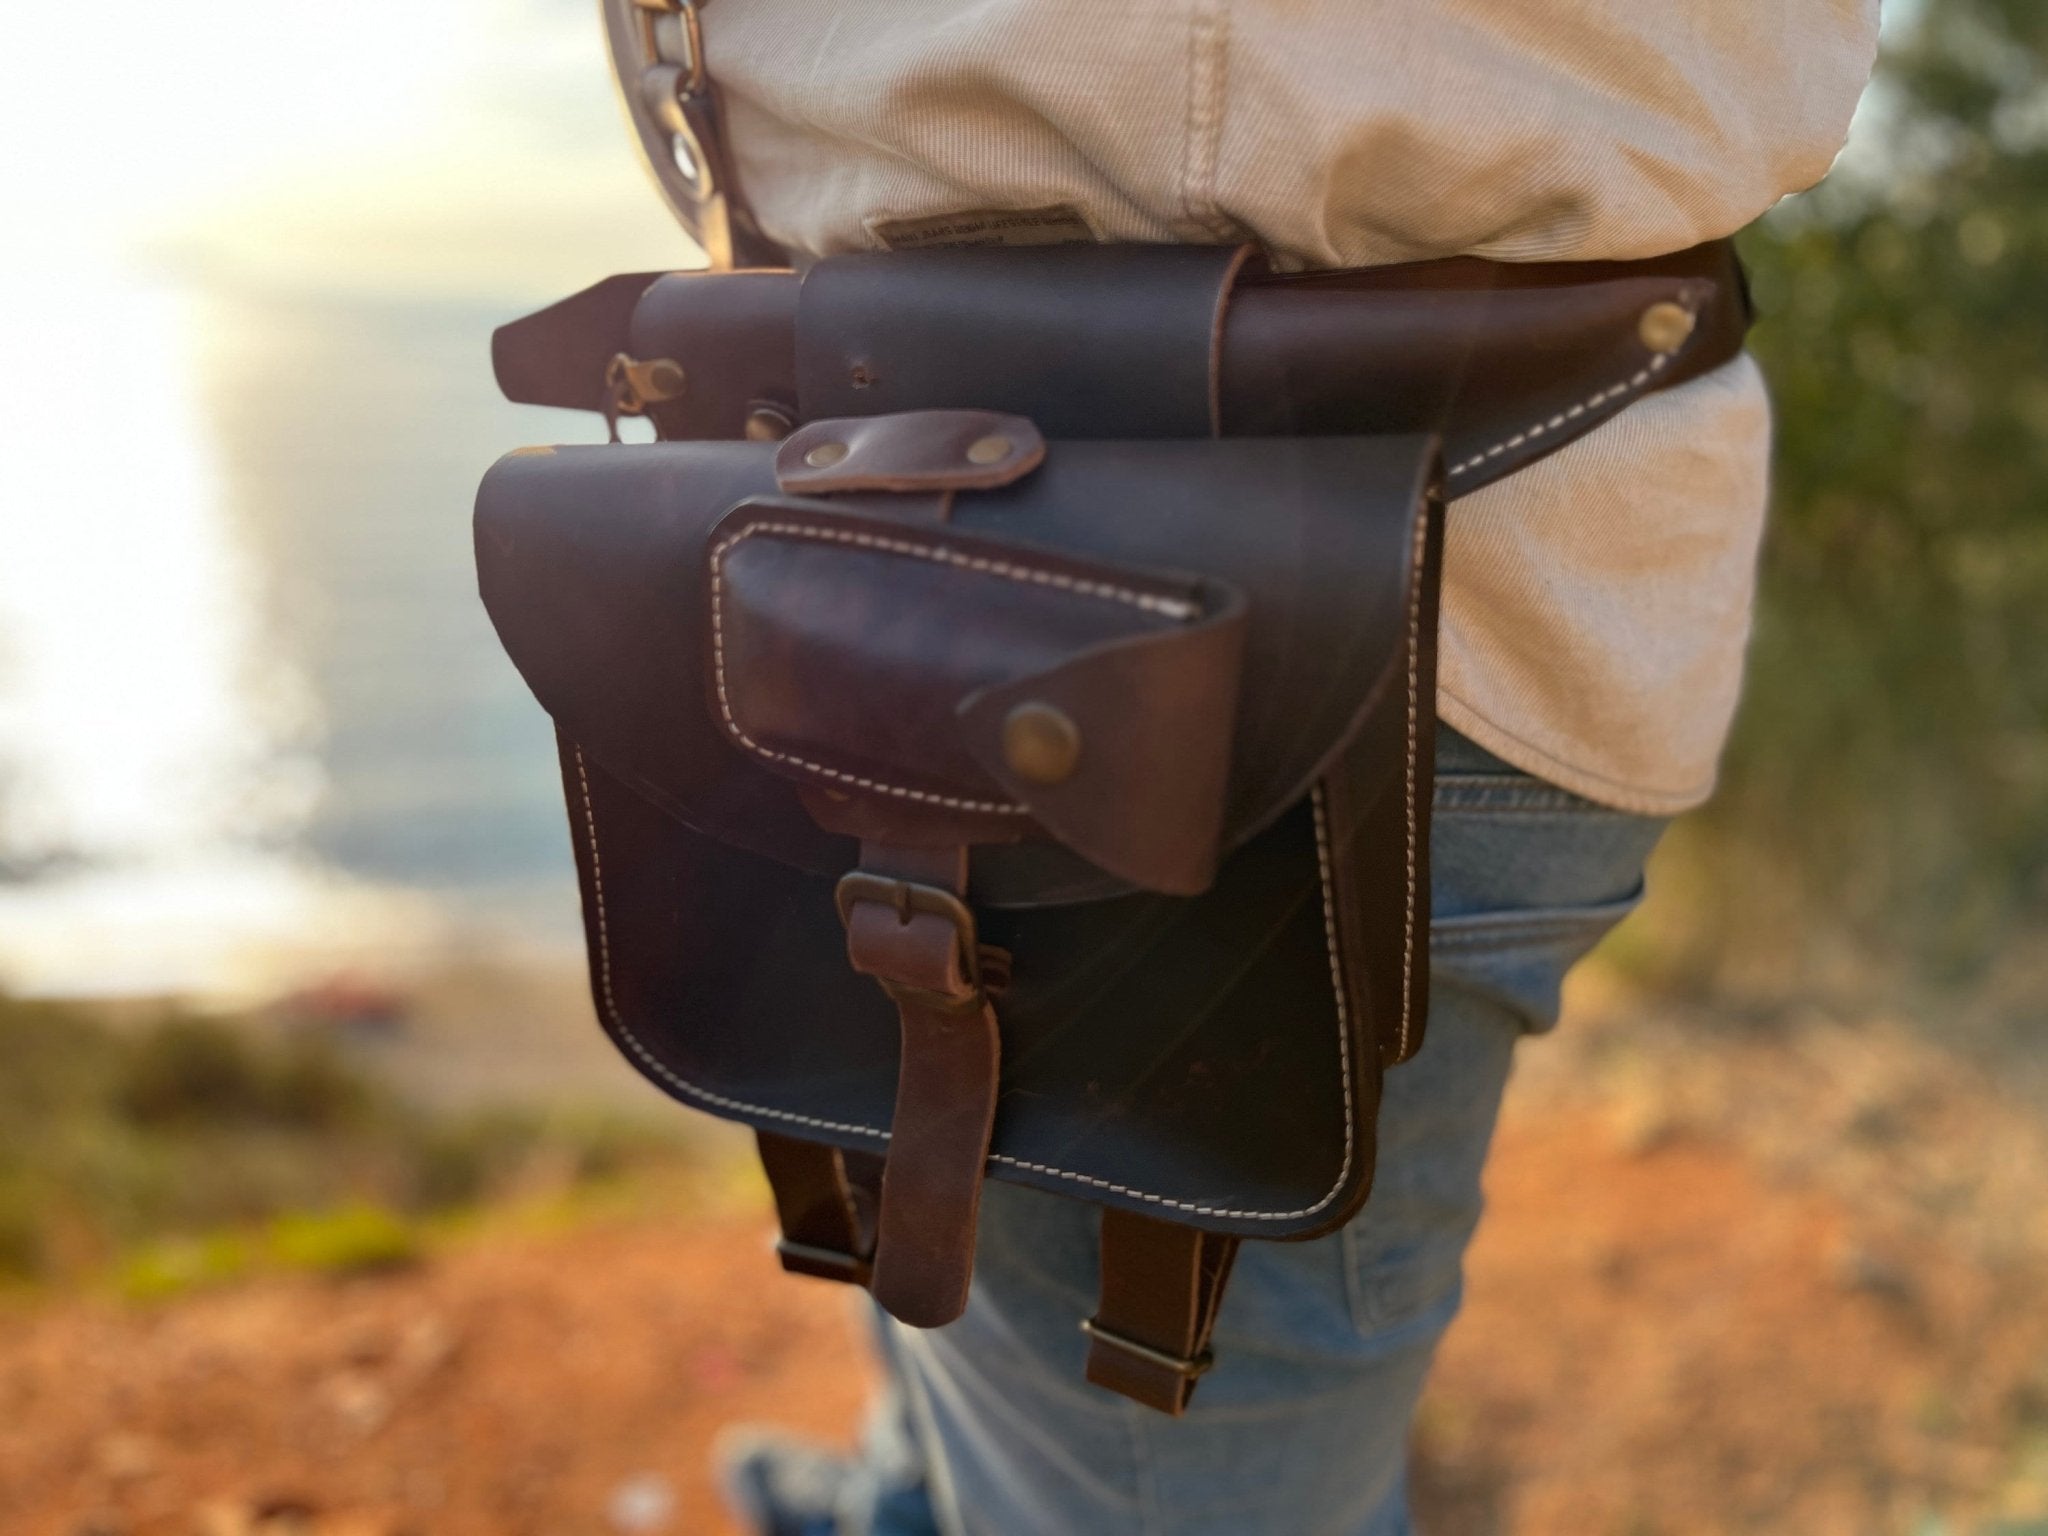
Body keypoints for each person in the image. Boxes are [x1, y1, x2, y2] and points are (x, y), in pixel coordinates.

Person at [671, 4, 1884, 1531]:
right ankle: (915, 1495)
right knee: (958, 1203)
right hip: (1035, 516)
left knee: (1144, 1443)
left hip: (1352, 645)